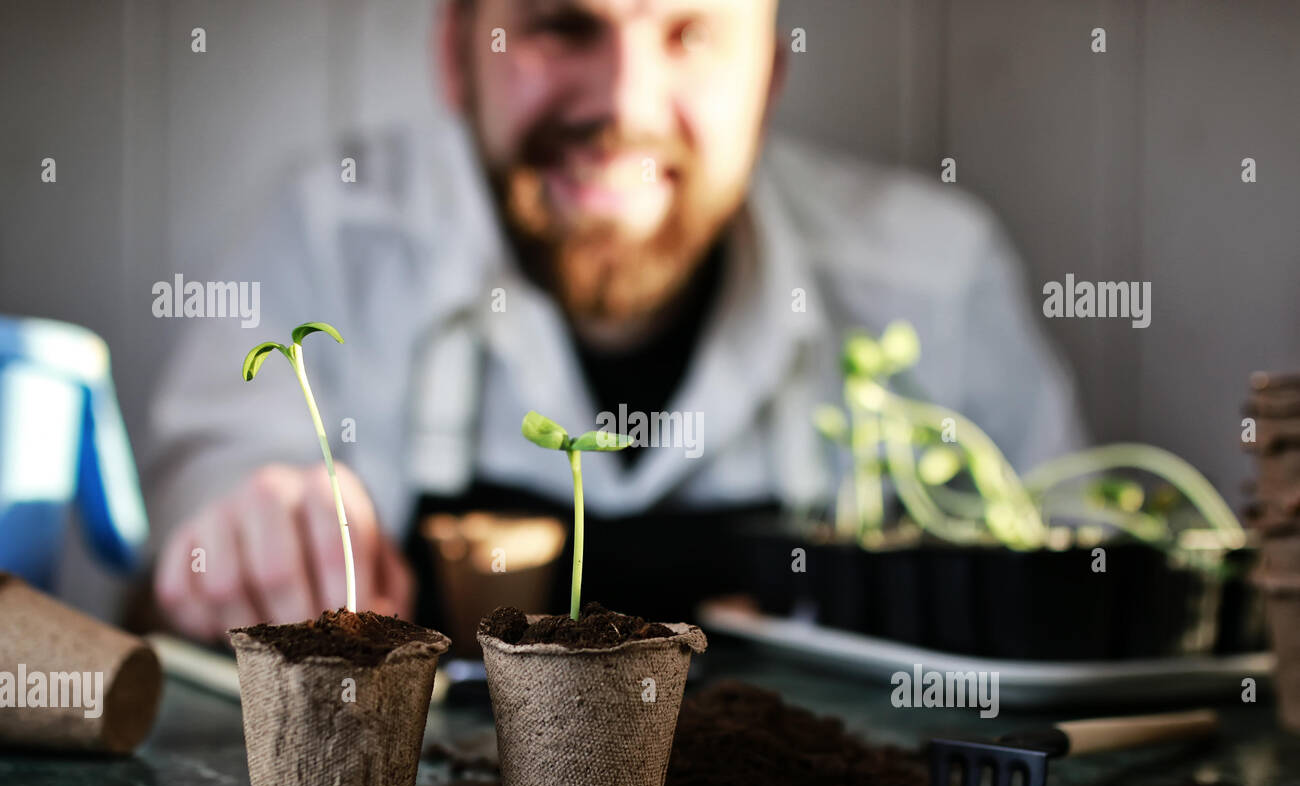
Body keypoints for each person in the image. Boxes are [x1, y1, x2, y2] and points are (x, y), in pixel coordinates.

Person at [148, 0, 1086, 642]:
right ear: (455, 52)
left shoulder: (934, 274)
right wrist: (248, 528)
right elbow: (206, 490)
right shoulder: (332, 238)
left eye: (690, 34)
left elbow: (1077, 581)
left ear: (768, 73)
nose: (627, 106)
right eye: (562, 25)